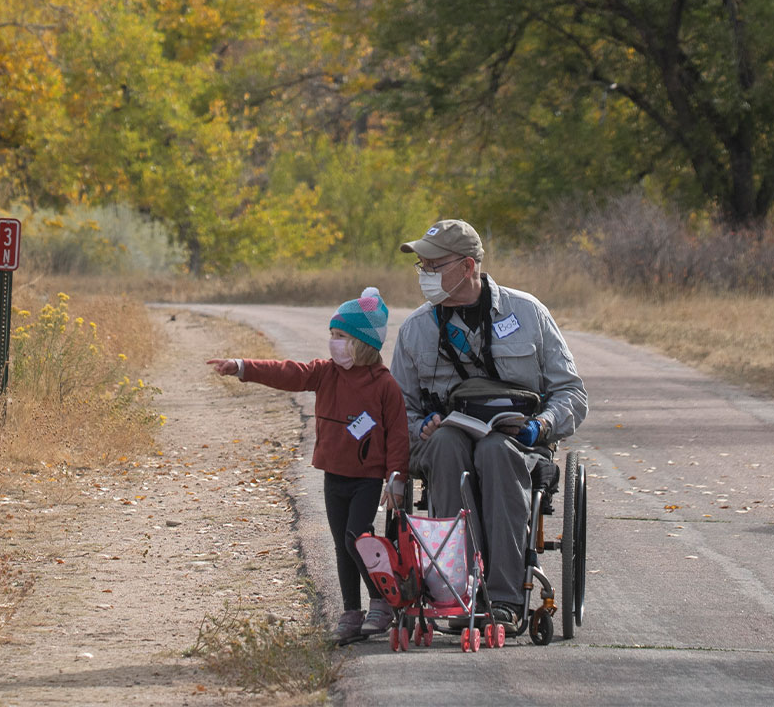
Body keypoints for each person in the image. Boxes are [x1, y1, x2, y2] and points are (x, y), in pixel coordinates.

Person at [390, 219, 586, 630]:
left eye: (433, 265)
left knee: (496, 452)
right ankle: (457, 592)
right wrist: (419, 428)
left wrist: (543, 426)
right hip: (446, 441)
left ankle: (504, 598)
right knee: (445, 445)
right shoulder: (415, 331)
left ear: (466, 267)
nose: (424, 275)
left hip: (518, 441)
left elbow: (571, 393)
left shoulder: (528, 313)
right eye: (421, 267)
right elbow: (398, 414)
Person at [206, 290, 410, 645]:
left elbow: (398, 438)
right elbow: (288, 373)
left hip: (367, 479)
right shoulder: (325, 374)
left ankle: (381, 603)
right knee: (340, 543)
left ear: (362, 342)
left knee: (356, 539)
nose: (333, 343)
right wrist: (242, 367)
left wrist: (396, 481)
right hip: (334, 475)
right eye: (332, 336)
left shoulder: (385, 385)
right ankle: (350, 612)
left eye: (341, 337)